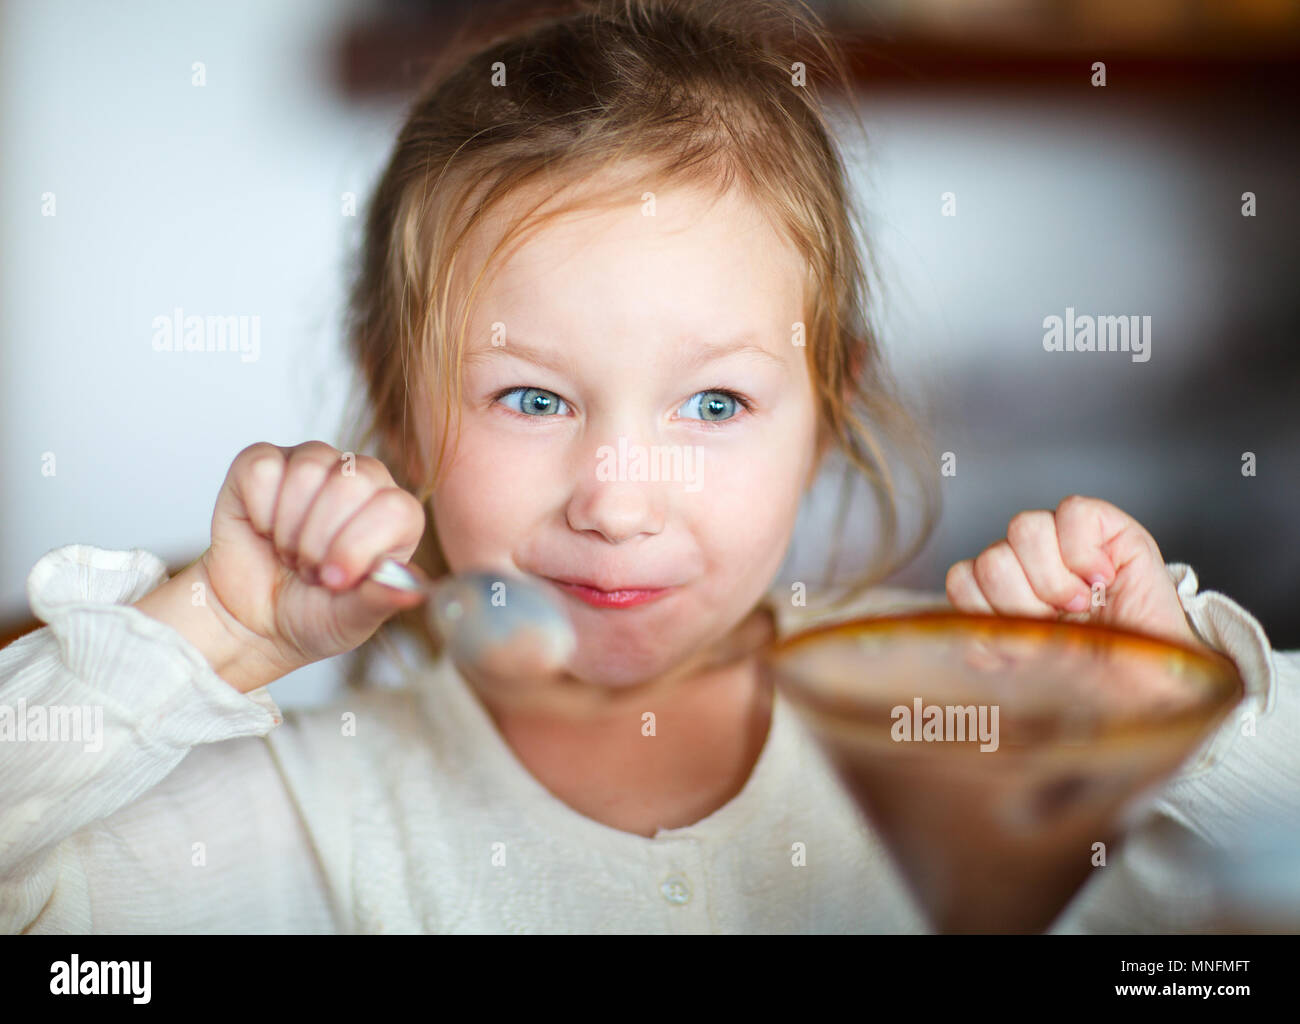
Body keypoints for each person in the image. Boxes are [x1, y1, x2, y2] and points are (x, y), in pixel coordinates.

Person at [2, 0, 1296, 934]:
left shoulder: (962, 724)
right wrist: (214, 634)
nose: (615, 501)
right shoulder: (310, 806)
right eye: (530, 395)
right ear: (398, 404)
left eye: (717, 401)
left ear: (827, 407)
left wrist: (1174, 707)